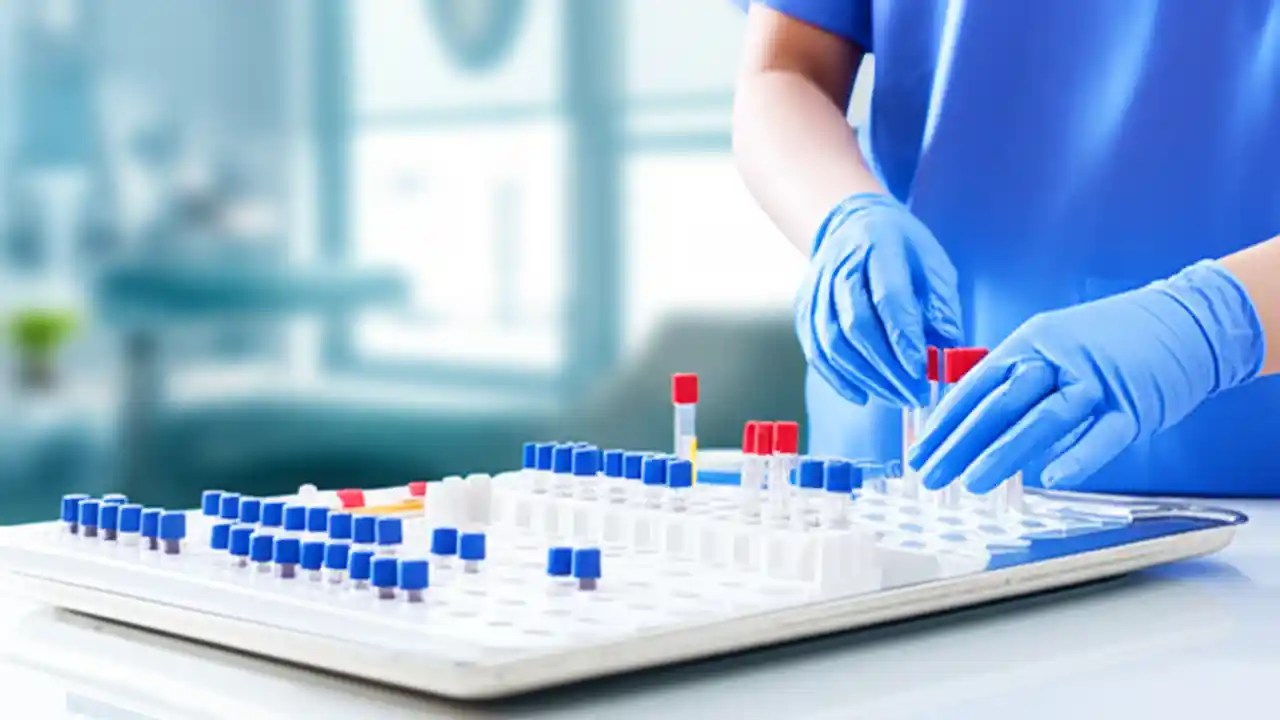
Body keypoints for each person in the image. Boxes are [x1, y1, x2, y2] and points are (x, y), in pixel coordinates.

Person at [732, 1, 1280, 495]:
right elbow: (787, 67)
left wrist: (1217, 324)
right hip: (894, 474)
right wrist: (843, 214)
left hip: (1246, 505)